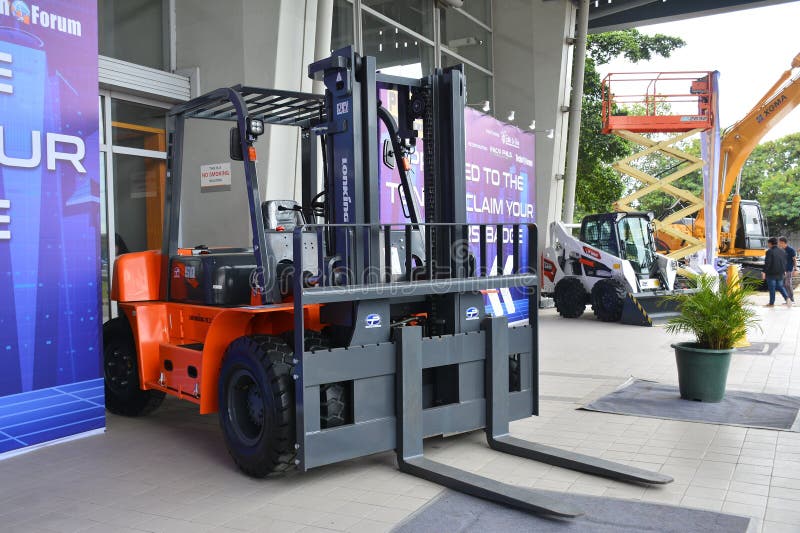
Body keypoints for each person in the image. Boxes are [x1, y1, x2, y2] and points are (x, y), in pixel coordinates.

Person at [763, 237, 791, 307]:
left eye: (768, 243)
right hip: (780, 273)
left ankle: (771, 303)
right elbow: (785, 262)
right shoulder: (782, 251)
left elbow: (767, 263)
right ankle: (787, 298)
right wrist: (784, 270)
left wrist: (764, 272)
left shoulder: (769, 251)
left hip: (771, 273)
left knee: (772, 288)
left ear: (770, 243)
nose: (768, 245)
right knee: (780, 286)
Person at [778, 236, 796, 304]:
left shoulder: (791, 250)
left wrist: (795, 269)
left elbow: (794, 260)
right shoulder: (781, 250)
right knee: (783, 285)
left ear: (783, 242)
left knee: (788, 284)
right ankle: (787, 300)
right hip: (782, 270)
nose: (779, 244)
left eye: (779, 242)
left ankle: (792, 300)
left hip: (789, 269)